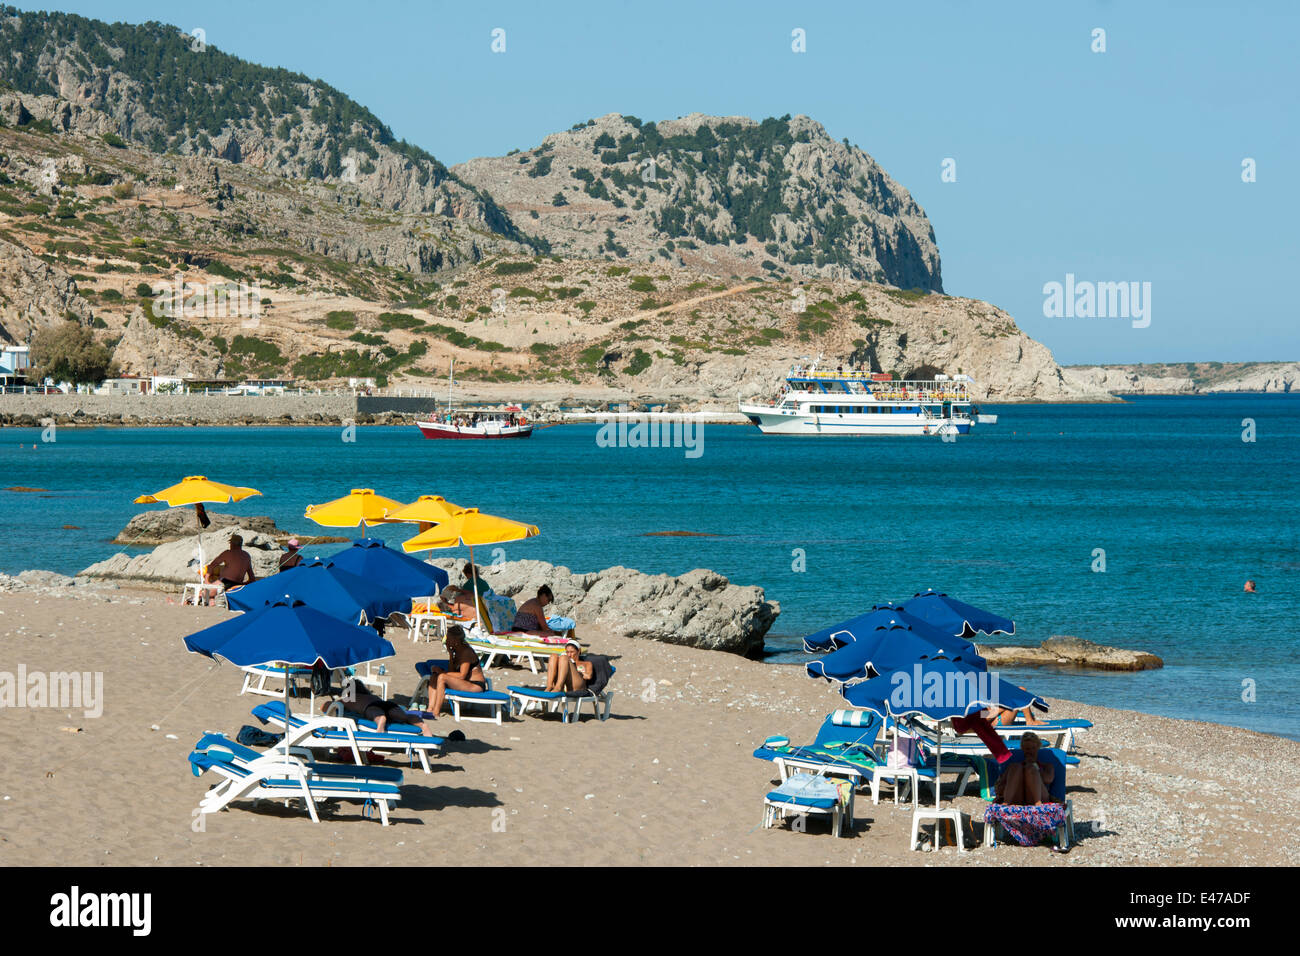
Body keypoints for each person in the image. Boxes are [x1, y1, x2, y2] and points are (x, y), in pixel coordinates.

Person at [332, 678, 433, 736]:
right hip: (388, 704)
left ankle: (380, 720)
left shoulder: (350, 698)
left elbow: (331, 705)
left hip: (371, 707)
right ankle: (422, 725)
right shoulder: (372, 696)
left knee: (375, 713)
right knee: (405, 717)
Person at [426, 626, 487, 719]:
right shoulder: (457, 651)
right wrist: (451, 655)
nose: (446, 640)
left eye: (448, 638)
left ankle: (436, 712)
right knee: (435, 676)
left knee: (442, 677)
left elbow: (462, 675)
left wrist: (443, 673)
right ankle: (430, 709)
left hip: (475, 685)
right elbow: (452, 672)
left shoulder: (466, 652)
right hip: (464, 682)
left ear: (456, 640)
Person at [993, 732, 1056, 806]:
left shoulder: (1047, 766)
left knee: (1030, 769)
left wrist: (1035, 766)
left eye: (1033, 748)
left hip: (1040, 797)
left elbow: (1048, 779)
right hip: (1018, 797)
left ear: (1038, 748)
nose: (1030, 751)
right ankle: (1006, 803)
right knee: (1015, 767)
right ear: (1023, 749)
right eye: (1027, 749)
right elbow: (1000, 787)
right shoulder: (1015, 767)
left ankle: (1038, 804)